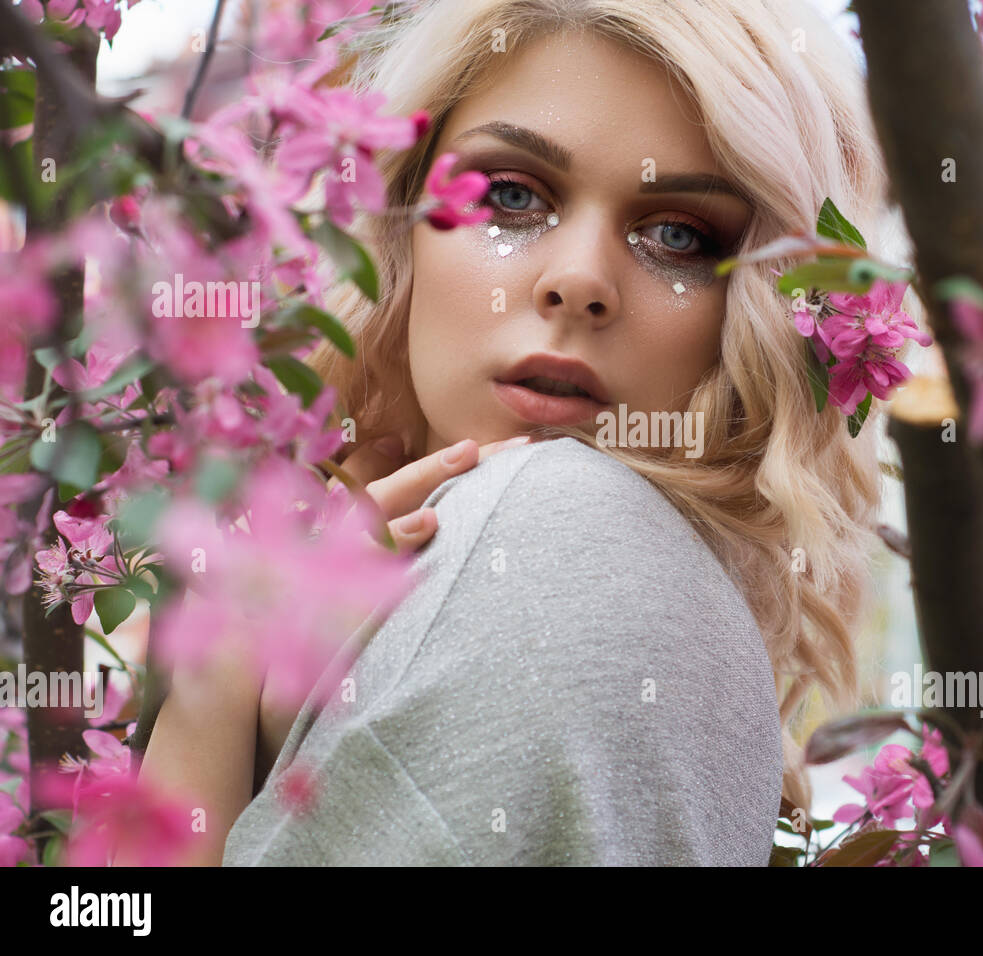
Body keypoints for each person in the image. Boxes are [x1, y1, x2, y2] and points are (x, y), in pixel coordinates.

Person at [142, 0, 900, 866]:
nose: (579, 282)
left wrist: (210, 697)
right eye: (512, 195)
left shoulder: (563, 527)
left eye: (679, 235)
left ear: (758, 319)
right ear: (398, 224)